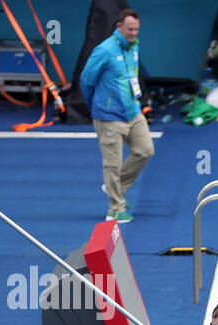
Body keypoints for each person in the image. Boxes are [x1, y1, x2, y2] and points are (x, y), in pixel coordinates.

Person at [80, 8, 152, 223]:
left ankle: (115, 188)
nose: (133, 33)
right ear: (118, 26)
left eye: (136, 29)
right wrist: (98, 105)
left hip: (133, 112)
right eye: (129, 29)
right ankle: (115, 209)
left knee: (145, 150)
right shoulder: (104, 50)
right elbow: (86, 80)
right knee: (112, 164)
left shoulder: (134, 46)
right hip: (109, 116)